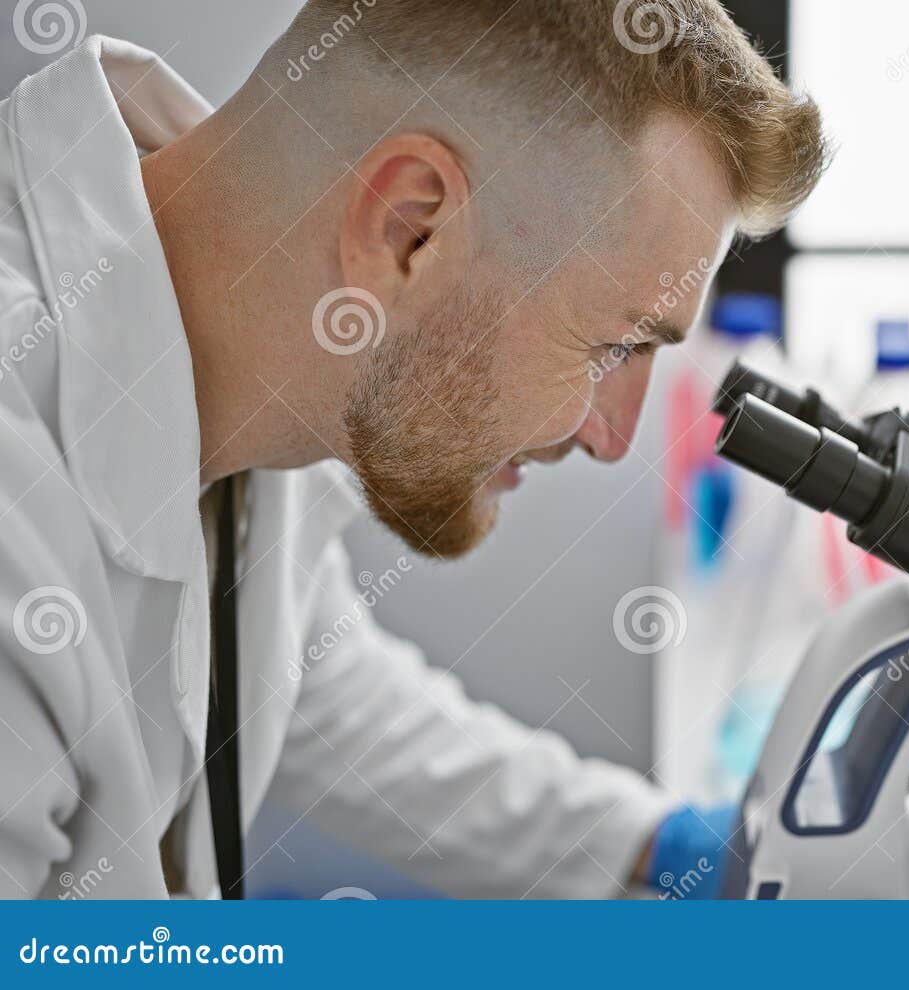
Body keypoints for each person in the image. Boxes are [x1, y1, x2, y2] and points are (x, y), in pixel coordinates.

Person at [0, 0, 826, 899]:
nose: (611, 437)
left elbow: (322, 688)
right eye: (614, 347)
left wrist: (647, 843)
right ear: (408, 227)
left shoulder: (257, 357)